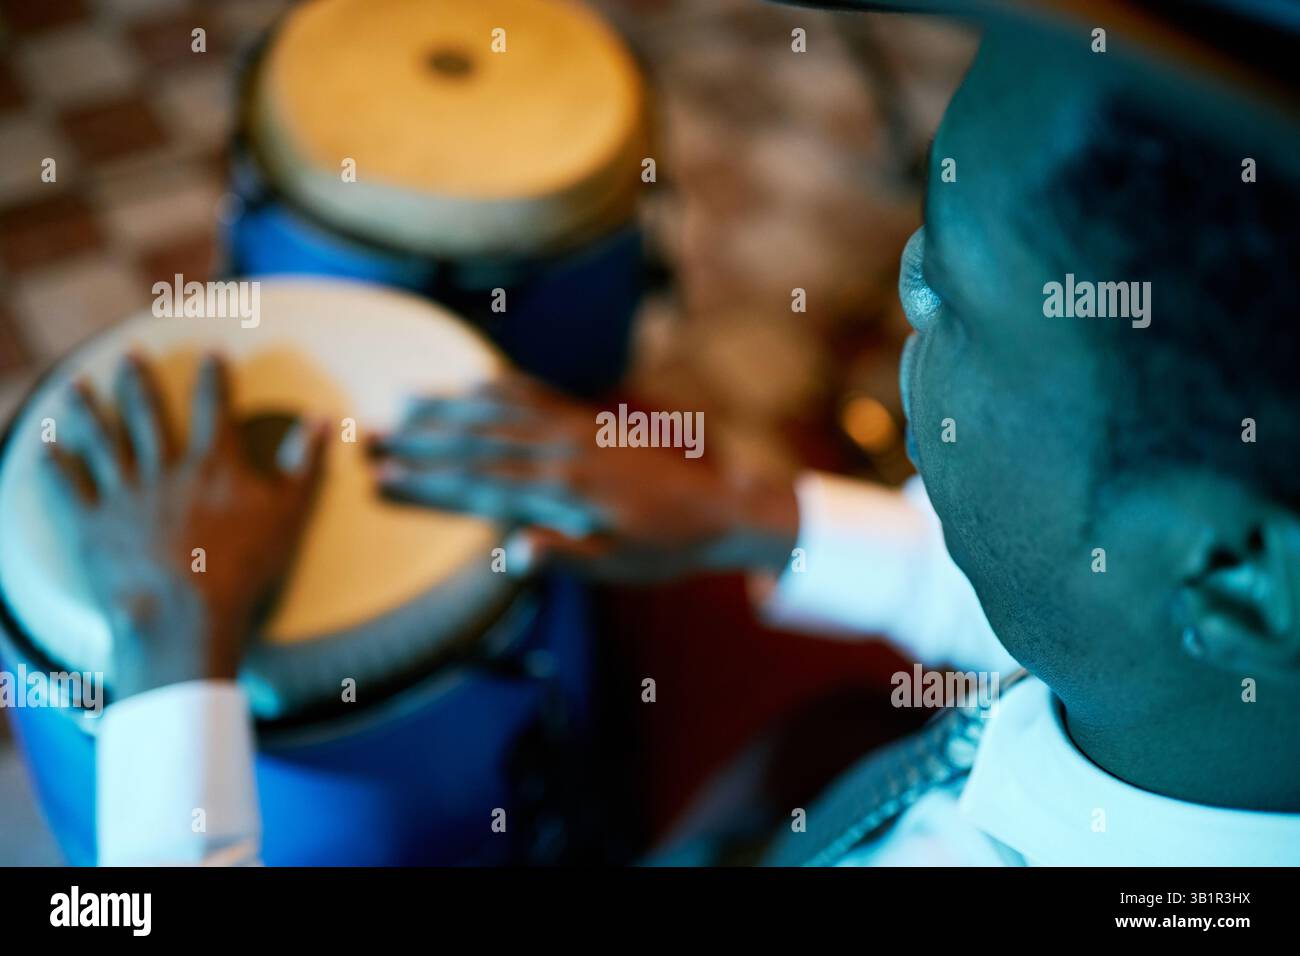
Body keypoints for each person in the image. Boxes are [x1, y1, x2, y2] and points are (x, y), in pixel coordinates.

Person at [52, 2, 1300, 864]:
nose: (902, 279)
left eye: (957, 301)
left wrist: (172, 663)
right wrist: (761, 517)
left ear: (1240, 575)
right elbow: (1117, 623)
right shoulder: (1210, 682)